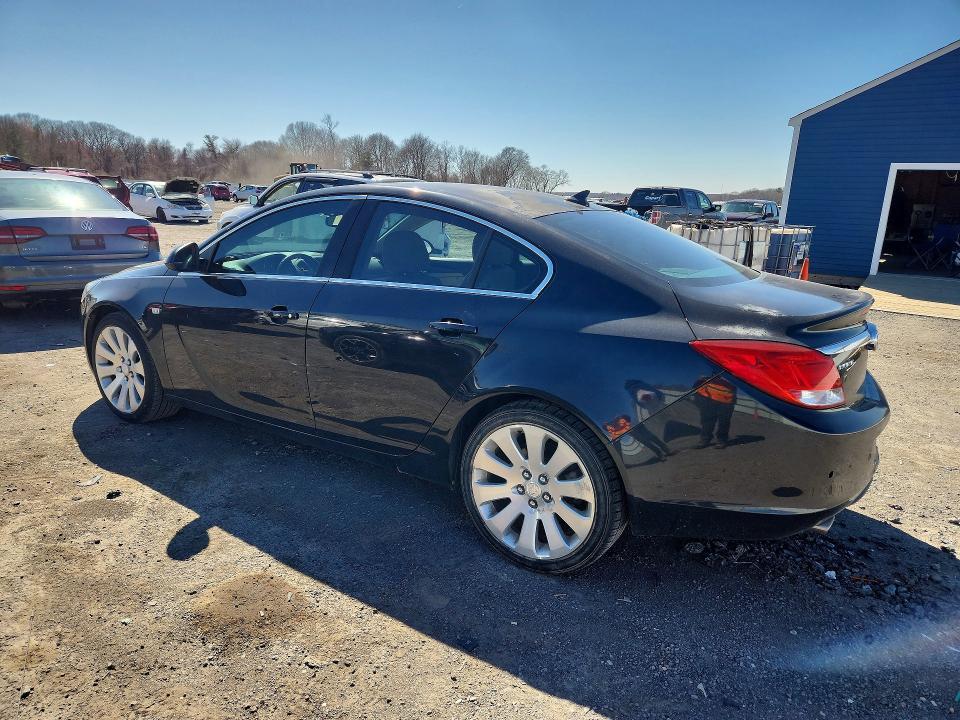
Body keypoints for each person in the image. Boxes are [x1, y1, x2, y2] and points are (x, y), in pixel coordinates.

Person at [693, 376, 737, 448]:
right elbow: (699, 380)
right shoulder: (714, 368)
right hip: (708, 397)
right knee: (707, 420)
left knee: (724, 421)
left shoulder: (736, 371)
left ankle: (721, 440)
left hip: (727, 399)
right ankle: (705, 439)